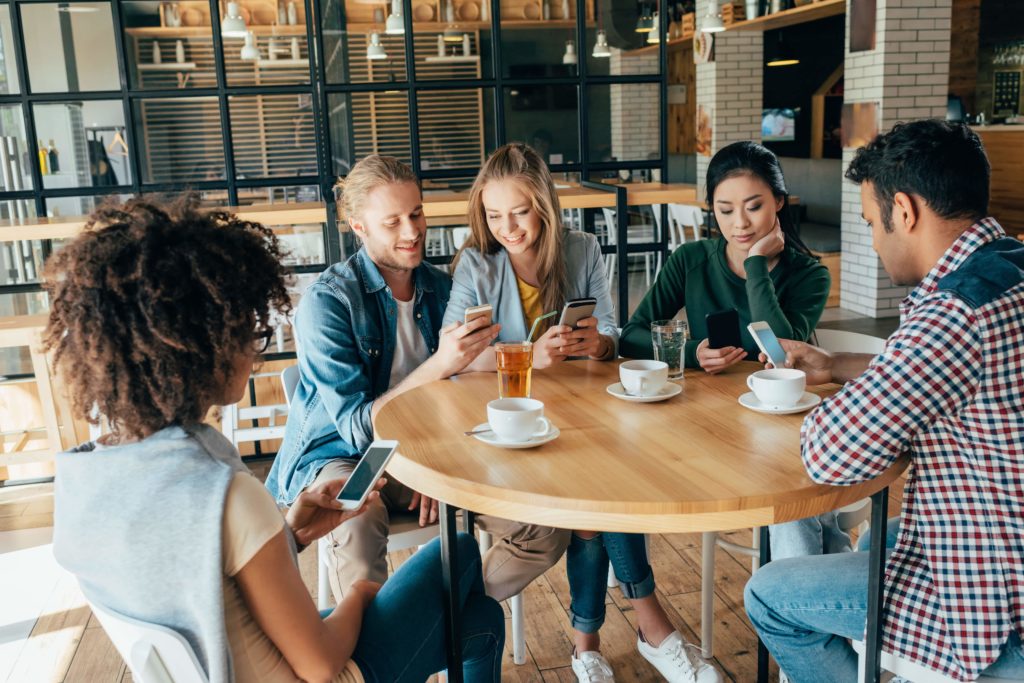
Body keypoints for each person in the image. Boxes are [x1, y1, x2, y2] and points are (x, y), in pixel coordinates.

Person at [47, 197, 504, 683]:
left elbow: (205, 580)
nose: (256, 354)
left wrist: (291, 532)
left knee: (480, 622)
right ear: (202, 347)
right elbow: (322, 665)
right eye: (250, 333)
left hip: (224, 665)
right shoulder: (227, 496)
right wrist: (361, 593)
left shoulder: (88, 482)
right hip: (321, 672)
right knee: (459, 551)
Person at [744, 119, 1024, 682]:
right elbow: (964, 376)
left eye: (872, 222)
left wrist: (829, 396)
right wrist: (840, 367)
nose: (873, 241)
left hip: (992, 587)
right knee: (873, 537)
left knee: (768, 595)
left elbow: (830, 454)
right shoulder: (1007, 266)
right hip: (999, 526)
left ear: (905, 210)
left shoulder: (954, 313)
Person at [444, 143, 718, 683]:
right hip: (509, 425)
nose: (508, 227)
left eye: (519, 212)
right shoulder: (478, 263)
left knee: (605, 492)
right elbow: (453, 356)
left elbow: (612, 330)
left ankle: (587, 646)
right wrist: (528, 356)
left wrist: (598, 346)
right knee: (602, 499)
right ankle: (647, 627)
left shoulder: (582, 248)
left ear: (544, 205)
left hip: (584, 413)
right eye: (494, 215)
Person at [264, 155, 502, 603]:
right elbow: (356, 429)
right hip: (345, 455)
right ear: (359, 227)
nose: (411, 232)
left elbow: (462, 392)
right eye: (392, 222)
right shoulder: (328, 302)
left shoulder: (443, 287)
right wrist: (442, 363)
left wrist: (436, 464)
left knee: (533, 524)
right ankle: (372, 658)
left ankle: (440, 621)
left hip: (424, 446)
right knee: (357, 516)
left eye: (416, 214)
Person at [619, 141, 840, 561]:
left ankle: (800, 599)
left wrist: (756, 265)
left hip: (780, 429)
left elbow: (781, 355)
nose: (740, 223)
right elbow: (631, 335)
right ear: (711, 209)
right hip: (708, 431)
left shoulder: (809, 275)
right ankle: (816, 581)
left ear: (779, 201)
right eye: (725, 210)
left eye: (754, 206)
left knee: (793, 508)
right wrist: (689, 354)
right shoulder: (690, 260)